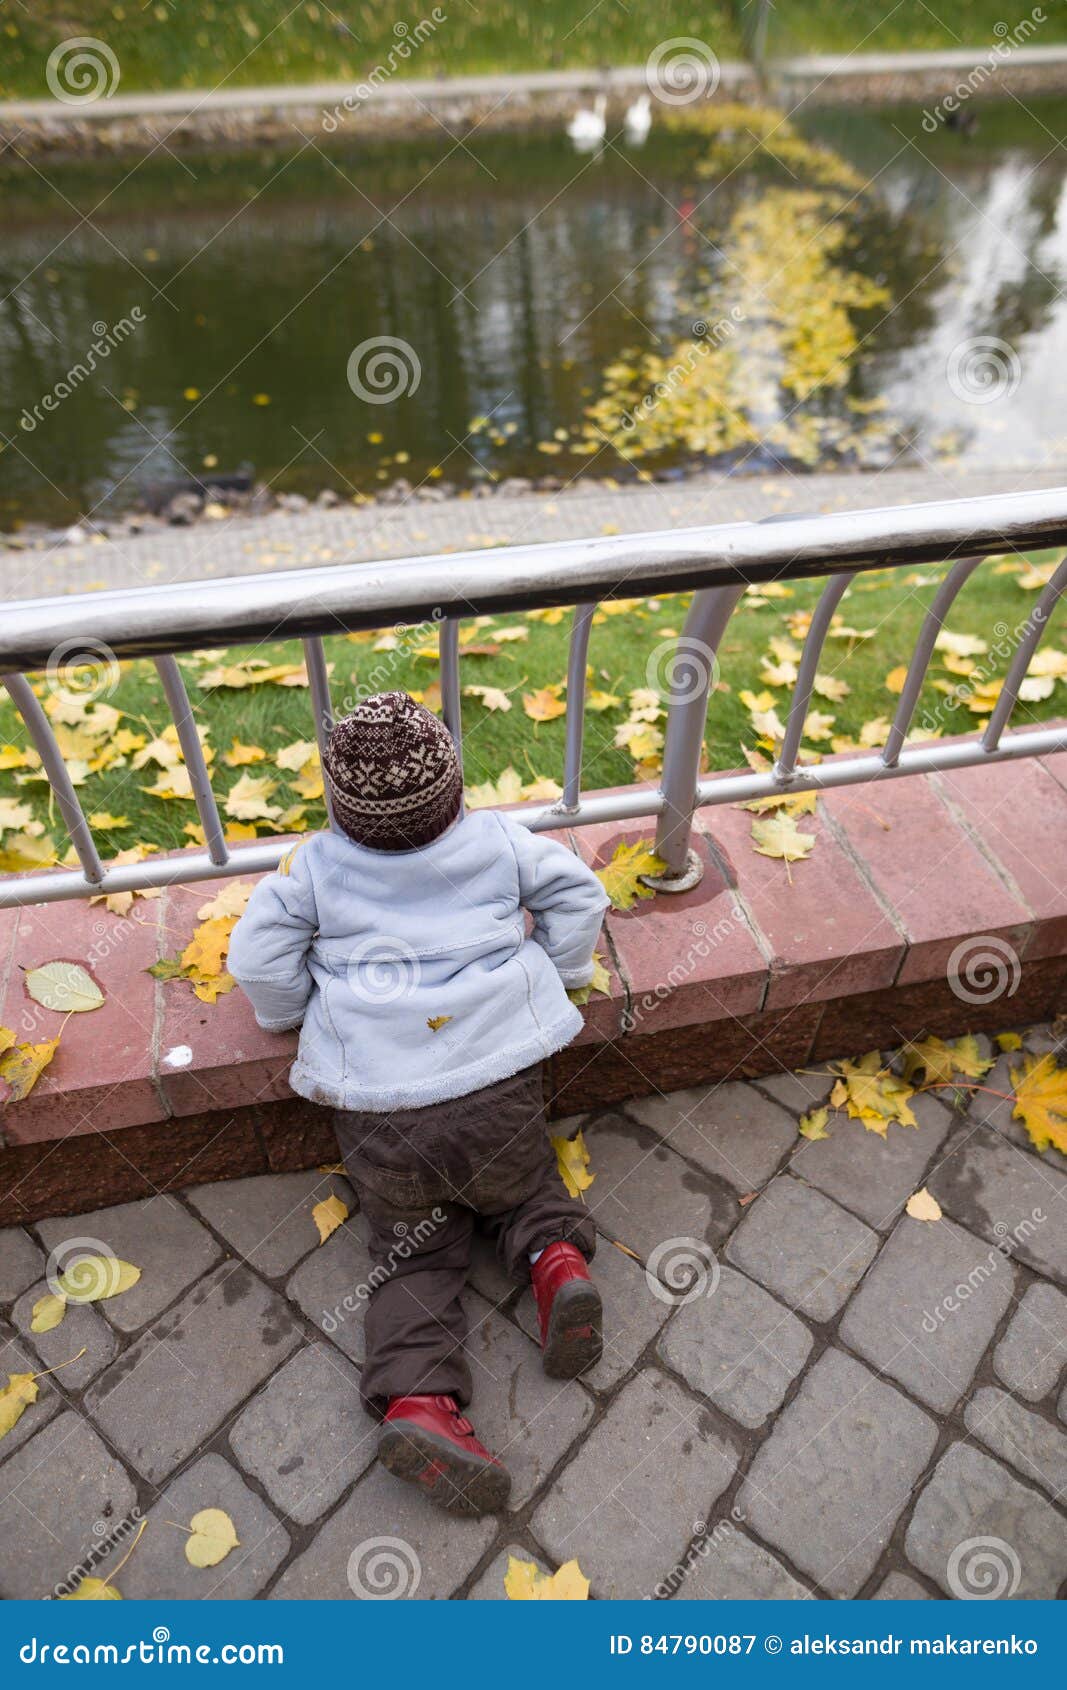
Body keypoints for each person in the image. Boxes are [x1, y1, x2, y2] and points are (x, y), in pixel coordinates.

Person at [229, 689, 609, 1516]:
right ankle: (554, 1263)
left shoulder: (313, 868)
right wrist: (566, 973)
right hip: (496, 1090)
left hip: (381, 1112)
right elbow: (580, 896)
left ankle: (419, 1404)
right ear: (454, 789)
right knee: (526, 1194)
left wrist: (287, 1016)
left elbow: (257, 959)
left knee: (415, 1255)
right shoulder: (500, 841)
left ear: (338, 806)